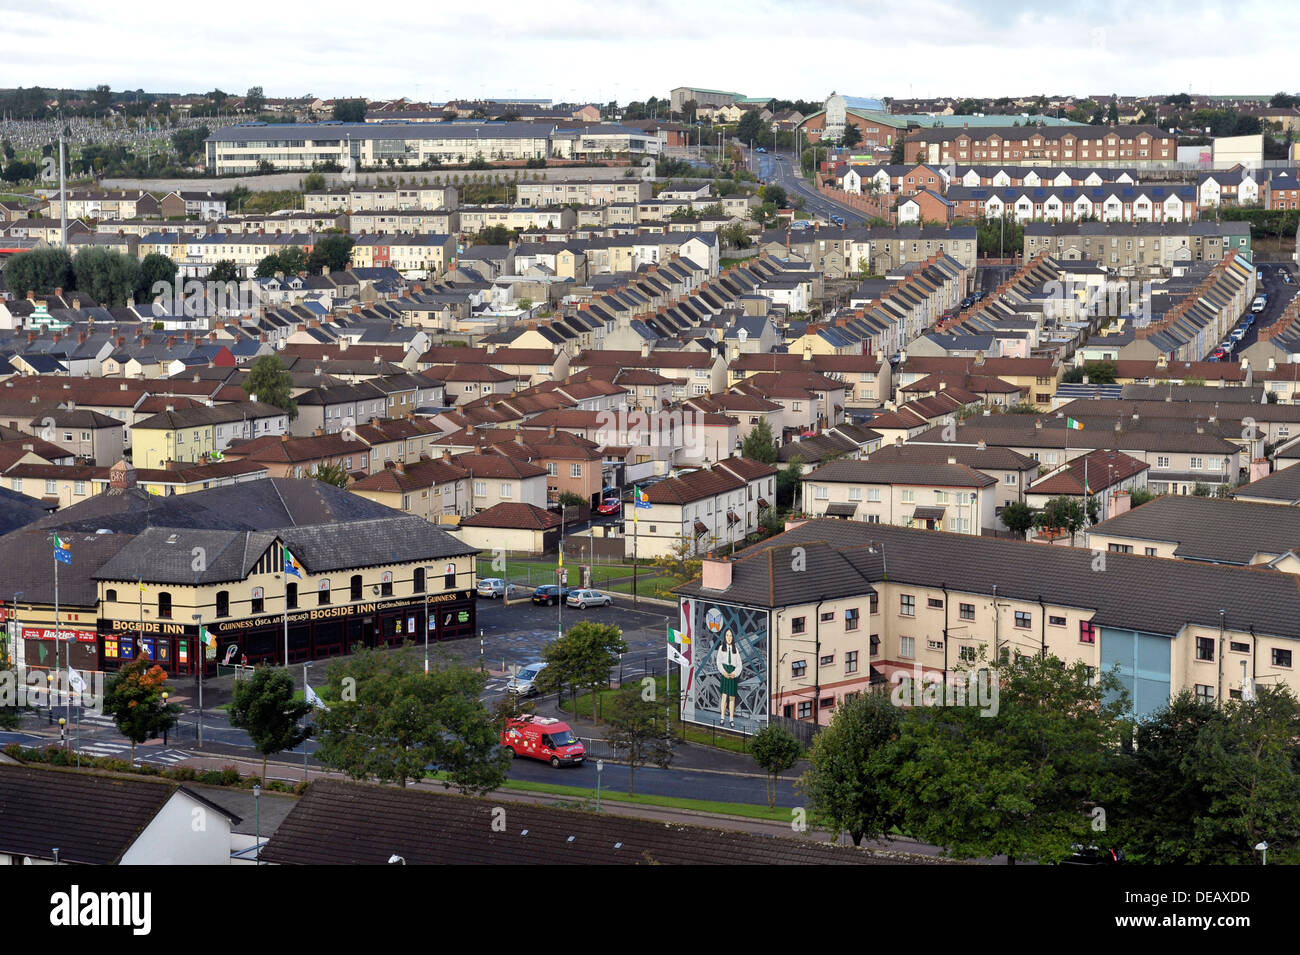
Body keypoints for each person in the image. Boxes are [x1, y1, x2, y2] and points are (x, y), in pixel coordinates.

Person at [714, 628, 743, 729]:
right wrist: (723, 672)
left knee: (732, 698)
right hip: (725, 673)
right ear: (724, 637)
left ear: (733, 637)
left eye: (730, 635)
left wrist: (735, 673)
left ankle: (731, 719)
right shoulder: (721, 648)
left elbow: (739, 664)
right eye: (727, 635)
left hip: (733, 674)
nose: (729, 637)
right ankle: (722, 718)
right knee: (724, 697)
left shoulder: (736, 650)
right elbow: (718, 662)